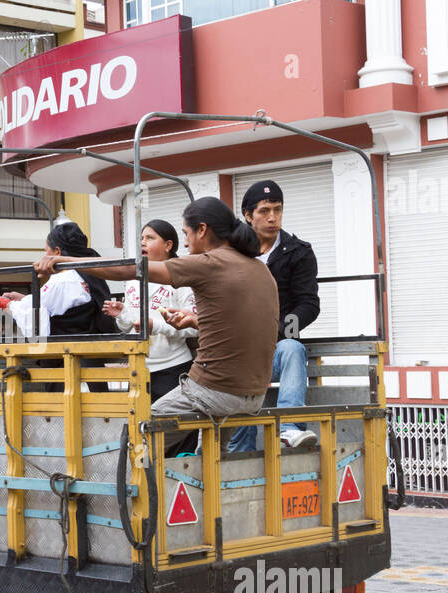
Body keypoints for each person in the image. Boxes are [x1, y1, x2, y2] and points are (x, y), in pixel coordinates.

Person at [35, 197, 276, 435]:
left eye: (187, 233)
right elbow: (241, 322)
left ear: (202, 230)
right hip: (253, 396)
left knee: (136, 435)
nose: (186, 243)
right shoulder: (260, 268)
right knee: (210, 458)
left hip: (213, 390)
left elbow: (128, 268)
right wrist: (194, 319)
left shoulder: (208, 263)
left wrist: (65, 261)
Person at [225, 179, 320, 450]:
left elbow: (309, 304)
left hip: (277, 345)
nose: (272, 217)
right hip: (236, 353)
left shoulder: (299, 251)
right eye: (264, 211)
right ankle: (233, 452)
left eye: (277, 210)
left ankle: (289, 427)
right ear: (247, 215)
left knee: (293, 348)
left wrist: (278, 329)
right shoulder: (231, 252)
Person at [103, 219, 196, 403]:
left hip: (173, 368)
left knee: (173, 429)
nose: (143, 242)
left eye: (150, 238)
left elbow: (194, 327)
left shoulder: (181, 278)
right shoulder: (133, 279)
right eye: (142, 238)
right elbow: (127, 326)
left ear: (168, 245)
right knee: (138, 428)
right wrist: (122, 315)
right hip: (138, 367)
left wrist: (156, 326)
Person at [0, 222, 118, 338]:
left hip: (67, 352)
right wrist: (24, 298)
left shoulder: (63, 279)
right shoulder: (87, 275)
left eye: (47, 251)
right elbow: (52, 303)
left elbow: (34, 312)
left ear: (57, 251)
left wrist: (1, 302)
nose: (45, 255)